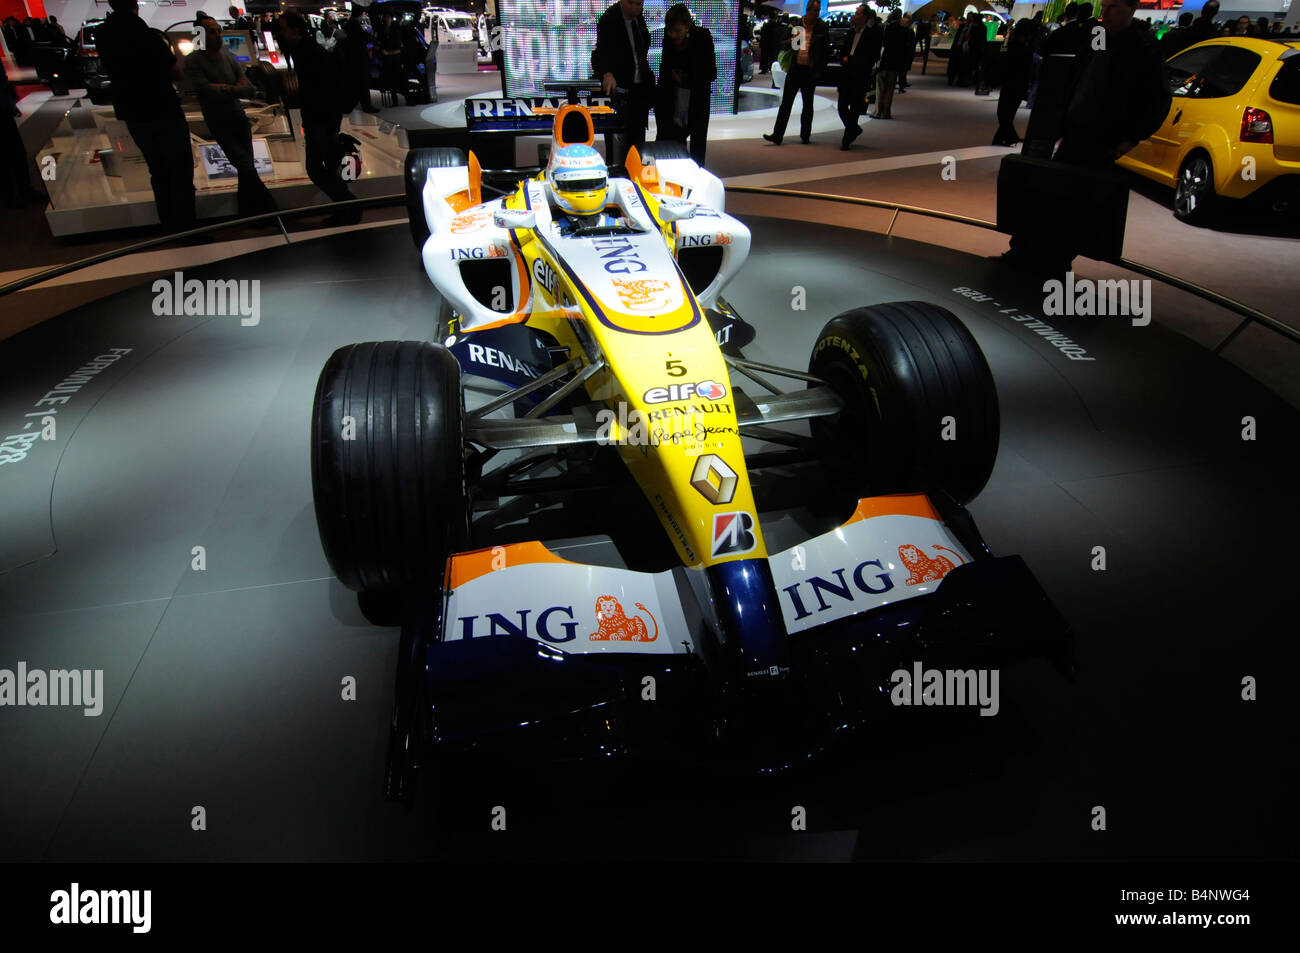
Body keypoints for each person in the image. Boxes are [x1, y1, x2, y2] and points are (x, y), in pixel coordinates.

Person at [1004, 0, 1169, 274]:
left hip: (1103, 139)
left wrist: (1131, 137)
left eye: (1113, 7)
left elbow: (1157, 99)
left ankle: (1056, 262)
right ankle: (1024, 251)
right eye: (1104, 7)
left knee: (1076, 201)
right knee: (1046, 190)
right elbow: (1078, 76)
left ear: (1131, 9)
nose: (1106, 13)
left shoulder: (1143, 47)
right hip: (1075, 130)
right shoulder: (1099, 38)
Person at [96, 0, 198, 237]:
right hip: (162, 108)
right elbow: (175, 72)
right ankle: (188, 229)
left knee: (158, 171)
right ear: (135, 5)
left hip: (132, 112)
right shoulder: (146, 35)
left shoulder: (104, 35)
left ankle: (170, 226)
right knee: (180, 172)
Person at [184, 14, 275, 217]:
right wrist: (234, 88)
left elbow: (249, 89)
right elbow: (206, 90)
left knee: (246, 168)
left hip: (238, 118)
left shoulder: (228, 58)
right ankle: (269, 211)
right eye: (212, 32)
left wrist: (226, 88)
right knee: (246, 166)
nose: (218, 35)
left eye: (218, 30)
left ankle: (250, 213)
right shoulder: (194, 61)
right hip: (219, 121)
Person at [278, 11, 358, 225]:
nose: (281, 34)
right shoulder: (307, 50)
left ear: (295, 29)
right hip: (321, 119)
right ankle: (346, 208)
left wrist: (332, 128)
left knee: (316, 168)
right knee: (327, 165)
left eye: (284, 29)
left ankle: (349, 205)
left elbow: (325, 92)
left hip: (320, 120)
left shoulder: (309, 53)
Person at [654, 4, 716, 165]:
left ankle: (696, 174)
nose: (673, 35)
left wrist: (686, 77)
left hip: (697, 98)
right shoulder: (668, 38)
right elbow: (664, 69)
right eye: (670, 31)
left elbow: (711, 72)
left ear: (687, 26)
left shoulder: (702, 37)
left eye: (677, 31)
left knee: (698, 143)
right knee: (671, 141)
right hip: (674, 98)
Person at [592, 0, 655, 158]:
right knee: (616, 147)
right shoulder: (609, 19)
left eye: (639, 4)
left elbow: (641, 49)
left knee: (638, 146)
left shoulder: (639, 18)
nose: (635, 8)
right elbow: (599, 54)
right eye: (631, 3)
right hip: (619, 92)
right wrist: (607, 73)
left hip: (639, 90)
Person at [762, 0, 828, 145]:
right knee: (786, 103)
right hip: (795, 68)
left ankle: (805, 135)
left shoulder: (822, 27)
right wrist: (793, 39)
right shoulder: (797, 24)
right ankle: (777, 135)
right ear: (808, 11)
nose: (817, 13)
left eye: (818, 10)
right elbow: (783, 44)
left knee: (808, 104)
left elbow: (824, 51)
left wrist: (819, 70)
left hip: (810, 70)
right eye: (815, 10)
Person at [836, 4, 874, 150]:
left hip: (860, 75)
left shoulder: (871, 35)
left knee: (855, 108)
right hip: (846, 74)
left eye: (858, 13)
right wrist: (844, 59)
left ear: (864, 17)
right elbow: (844, 51)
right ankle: (854, 129)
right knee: (841, 107)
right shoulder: (851, 32)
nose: (854, 16)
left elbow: (871, 56)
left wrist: (854, 61)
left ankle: (846, 140)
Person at [993, 19, 1034, 146]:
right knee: (1008, 113)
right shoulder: (1029, 46)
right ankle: (1003, 138)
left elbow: (1006, 62)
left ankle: (1011, 137)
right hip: (1020, 83)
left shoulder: (1014, 45)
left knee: (1003, 113)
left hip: (1011, 82)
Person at [876, 11, 909, 118]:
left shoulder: (886, 28)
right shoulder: (904, 30)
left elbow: (883, 44)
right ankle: (886, 112)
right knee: (890, 89)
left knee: (880, 88)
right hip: (895, 62)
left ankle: (878, 111)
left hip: (885, 60)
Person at [343, 9, 378, 113]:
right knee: (362, 82)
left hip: (353, 57)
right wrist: (372, 37)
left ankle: (353, 104)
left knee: (357, 82)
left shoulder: (349, 24)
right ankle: (365, 105)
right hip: (359, 57)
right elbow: (366, 37)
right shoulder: (355, 24)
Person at [896, 13, 916, 92]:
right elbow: (911, 42)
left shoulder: (901, 30)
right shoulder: (909, 30)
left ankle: (901, 83)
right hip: (905, 52)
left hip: (901, 52)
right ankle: (901, 85)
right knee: (903, 69)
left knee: (901, 69)